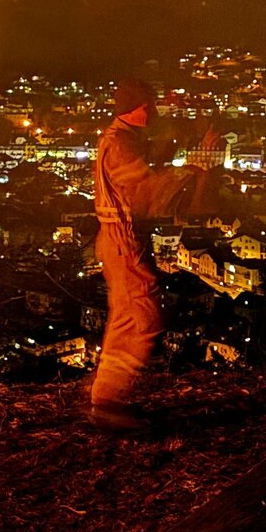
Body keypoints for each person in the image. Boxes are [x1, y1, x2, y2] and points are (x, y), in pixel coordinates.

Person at [87, 77, 199, 431]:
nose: (152, 112)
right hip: (123, 238)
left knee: (126, 315)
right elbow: (145, 192)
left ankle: (108, 397)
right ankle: (108, 400)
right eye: (146, 106)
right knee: (141, 316)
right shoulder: (120, 145)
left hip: (119, 237)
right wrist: (188, 176)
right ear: (130, 109)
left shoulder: (122, 140)